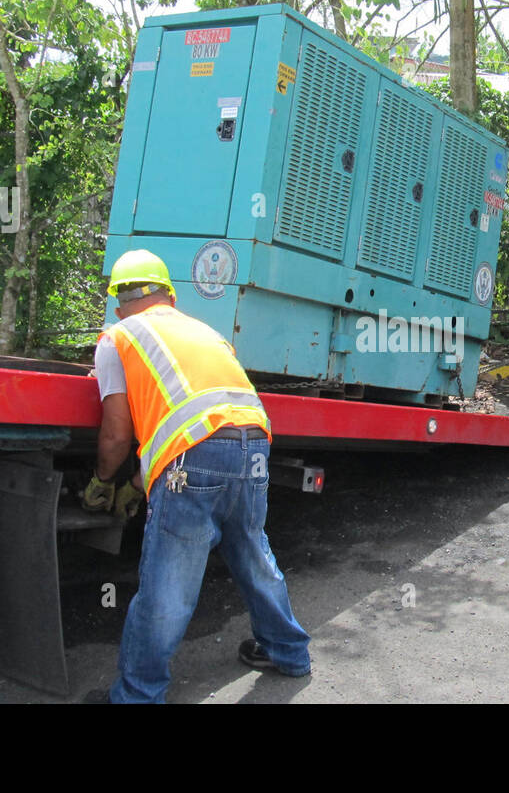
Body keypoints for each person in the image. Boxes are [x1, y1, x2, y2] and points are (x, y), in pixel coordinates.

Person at [83, 248, 311, 703]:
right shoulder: (205, 332)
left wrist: (103, 482)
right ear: (168, 294)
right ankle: (290, 653)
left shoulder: (119, 337)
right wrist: (138, 485)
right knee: (253, 554)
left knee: (168, 585)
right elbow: (184, 418)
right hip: (254, 443)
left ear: (119, 301)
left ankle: (136, 695)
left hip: (196, 456)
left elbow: (116, 434)